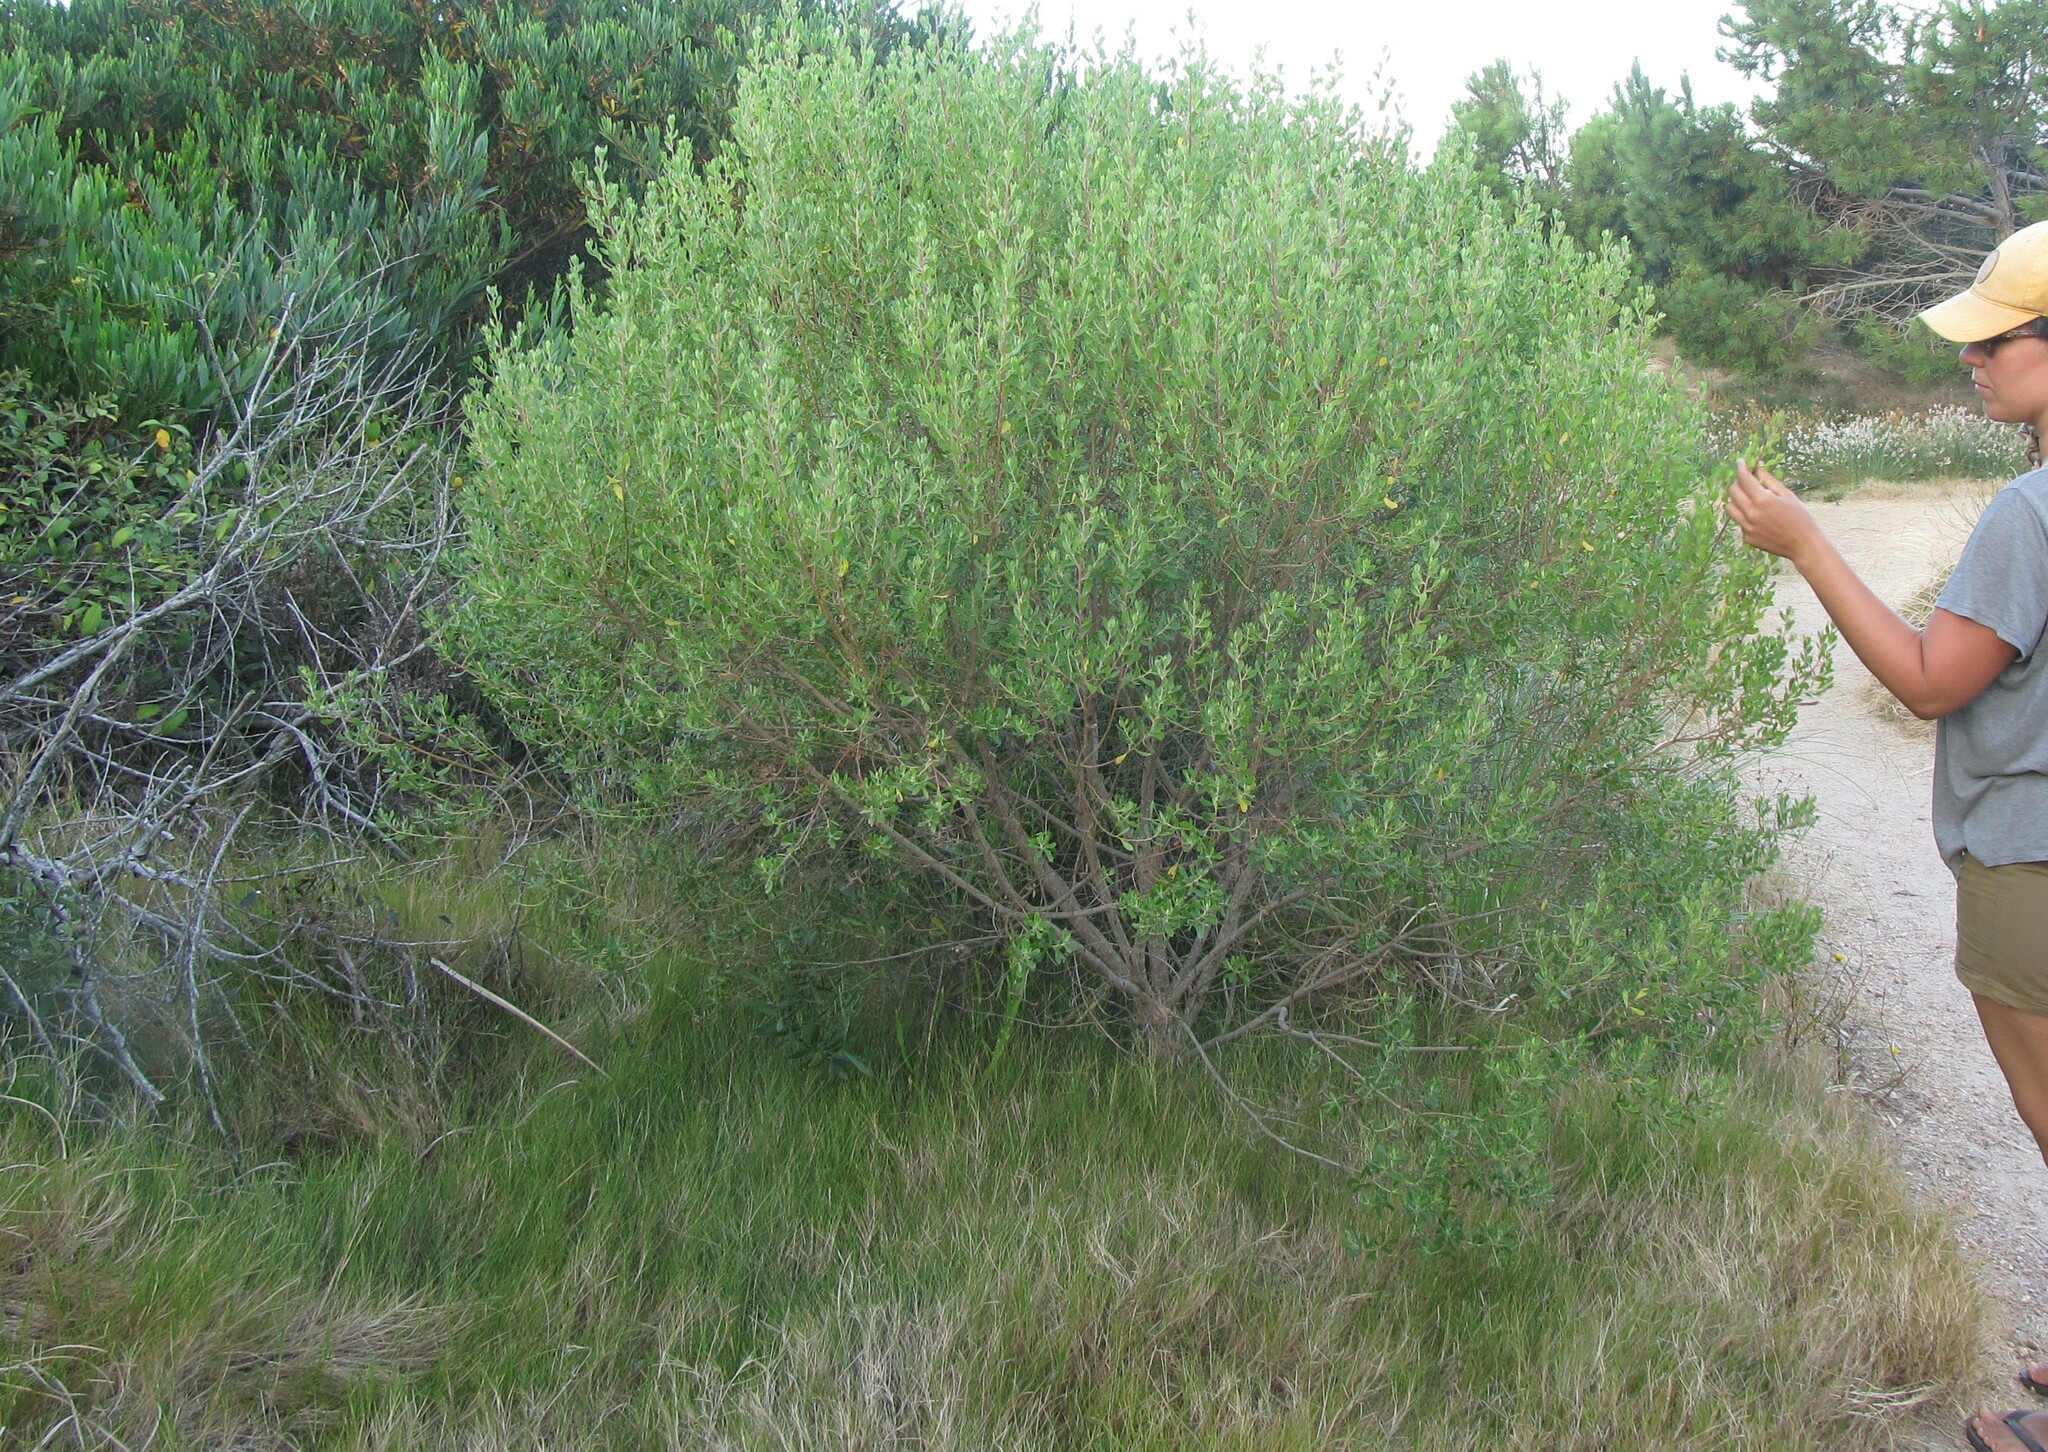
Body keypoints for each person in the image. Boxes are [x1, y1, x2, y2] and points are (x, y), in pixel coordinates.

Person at [1724, 216, 2048, 1452]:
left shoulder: (2026, 516)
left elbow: (1926, 679)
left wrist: (1807, 541)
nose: (1968, 361)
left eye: (1992, 342)